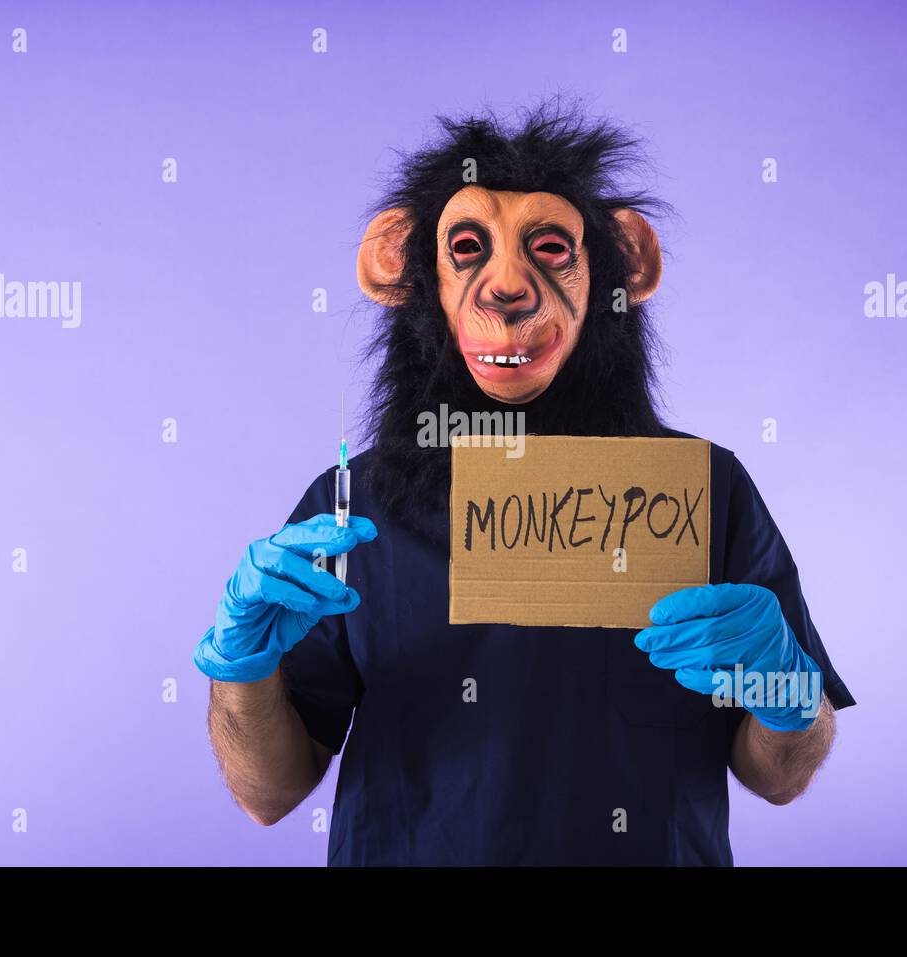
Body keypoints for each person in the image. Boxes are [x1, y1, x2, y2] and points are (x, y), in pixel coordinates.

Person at [193, 104, 855, 865]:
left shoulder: (703, 490)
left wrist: (788, 693)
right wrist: (243, 672)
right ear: (405, 267)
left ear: (625, 264)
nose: (507, 285)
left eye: (549, 247)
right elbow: (268, 793)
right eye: (468, 247)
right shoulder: (354, 506)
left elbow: (777, 776)